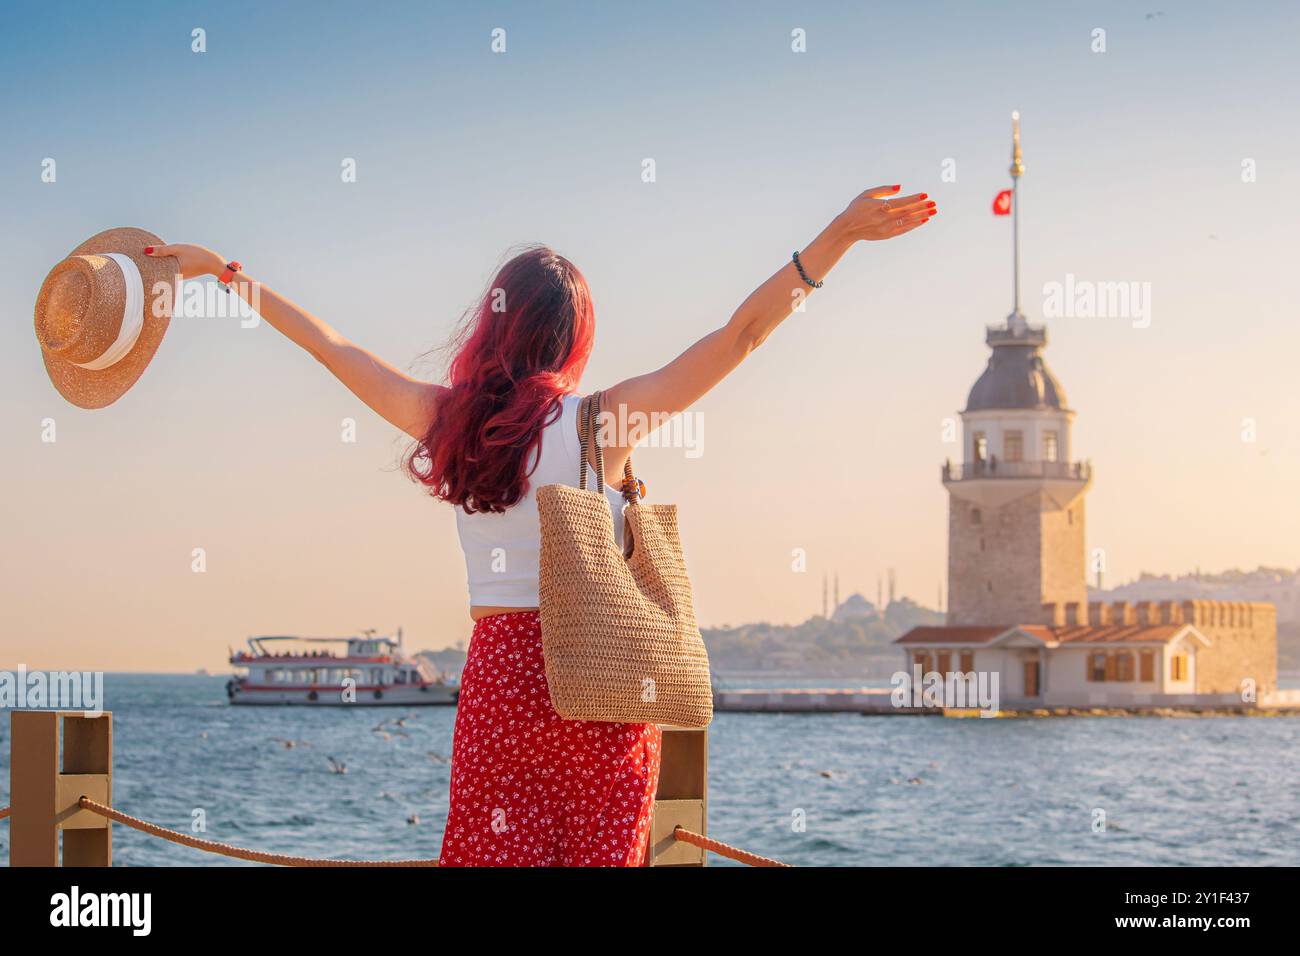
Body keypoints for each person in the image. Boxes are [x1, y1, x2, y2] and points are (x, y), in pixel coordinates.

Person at [148, 184, 936, 866]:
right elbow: (741, 335)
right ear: (576, 336)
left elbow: (331, 346)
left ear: (497, 326)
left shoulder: (448, 421)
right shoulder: (603, 423)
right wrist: (836, 240)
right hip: (598, 674)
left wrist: (223, 273)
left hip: (501, 679)